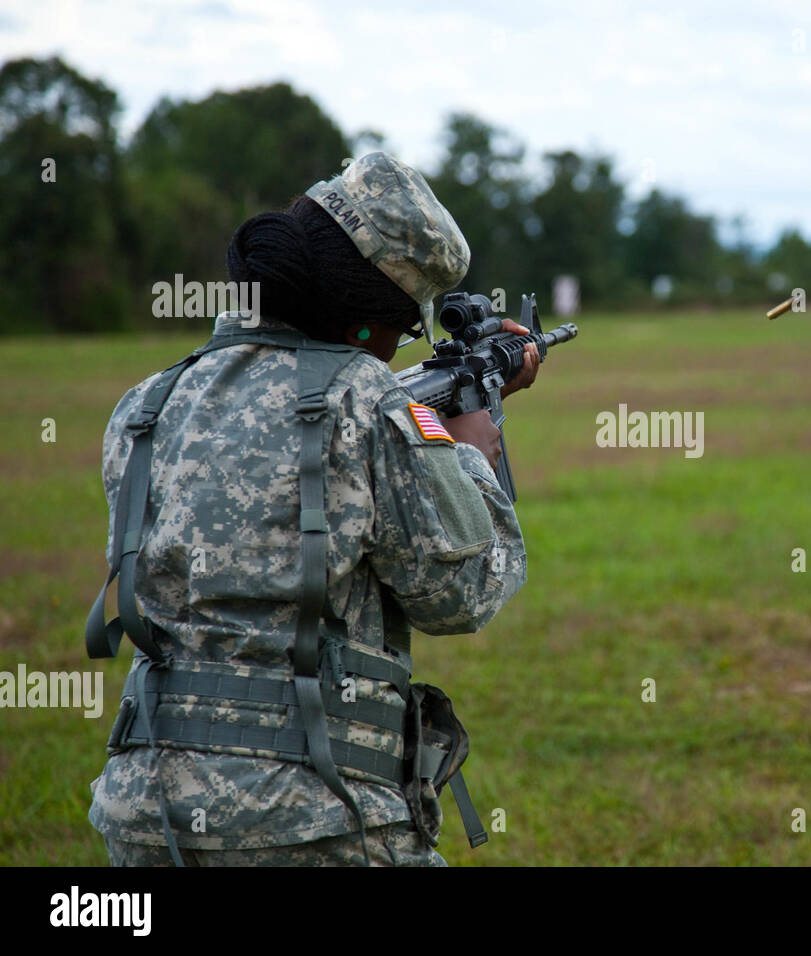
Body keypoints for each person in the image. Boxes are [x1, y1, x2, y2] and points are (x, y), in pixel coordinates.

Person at [86, 151, 538, 866]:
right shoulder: (369, 402)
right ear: (367, 318)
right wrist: (473, 455)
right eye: (403, 327)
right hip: (318, 819)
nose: (397, 351)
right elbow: (462, 594)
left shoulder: (147, 404)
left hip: (147, 818)